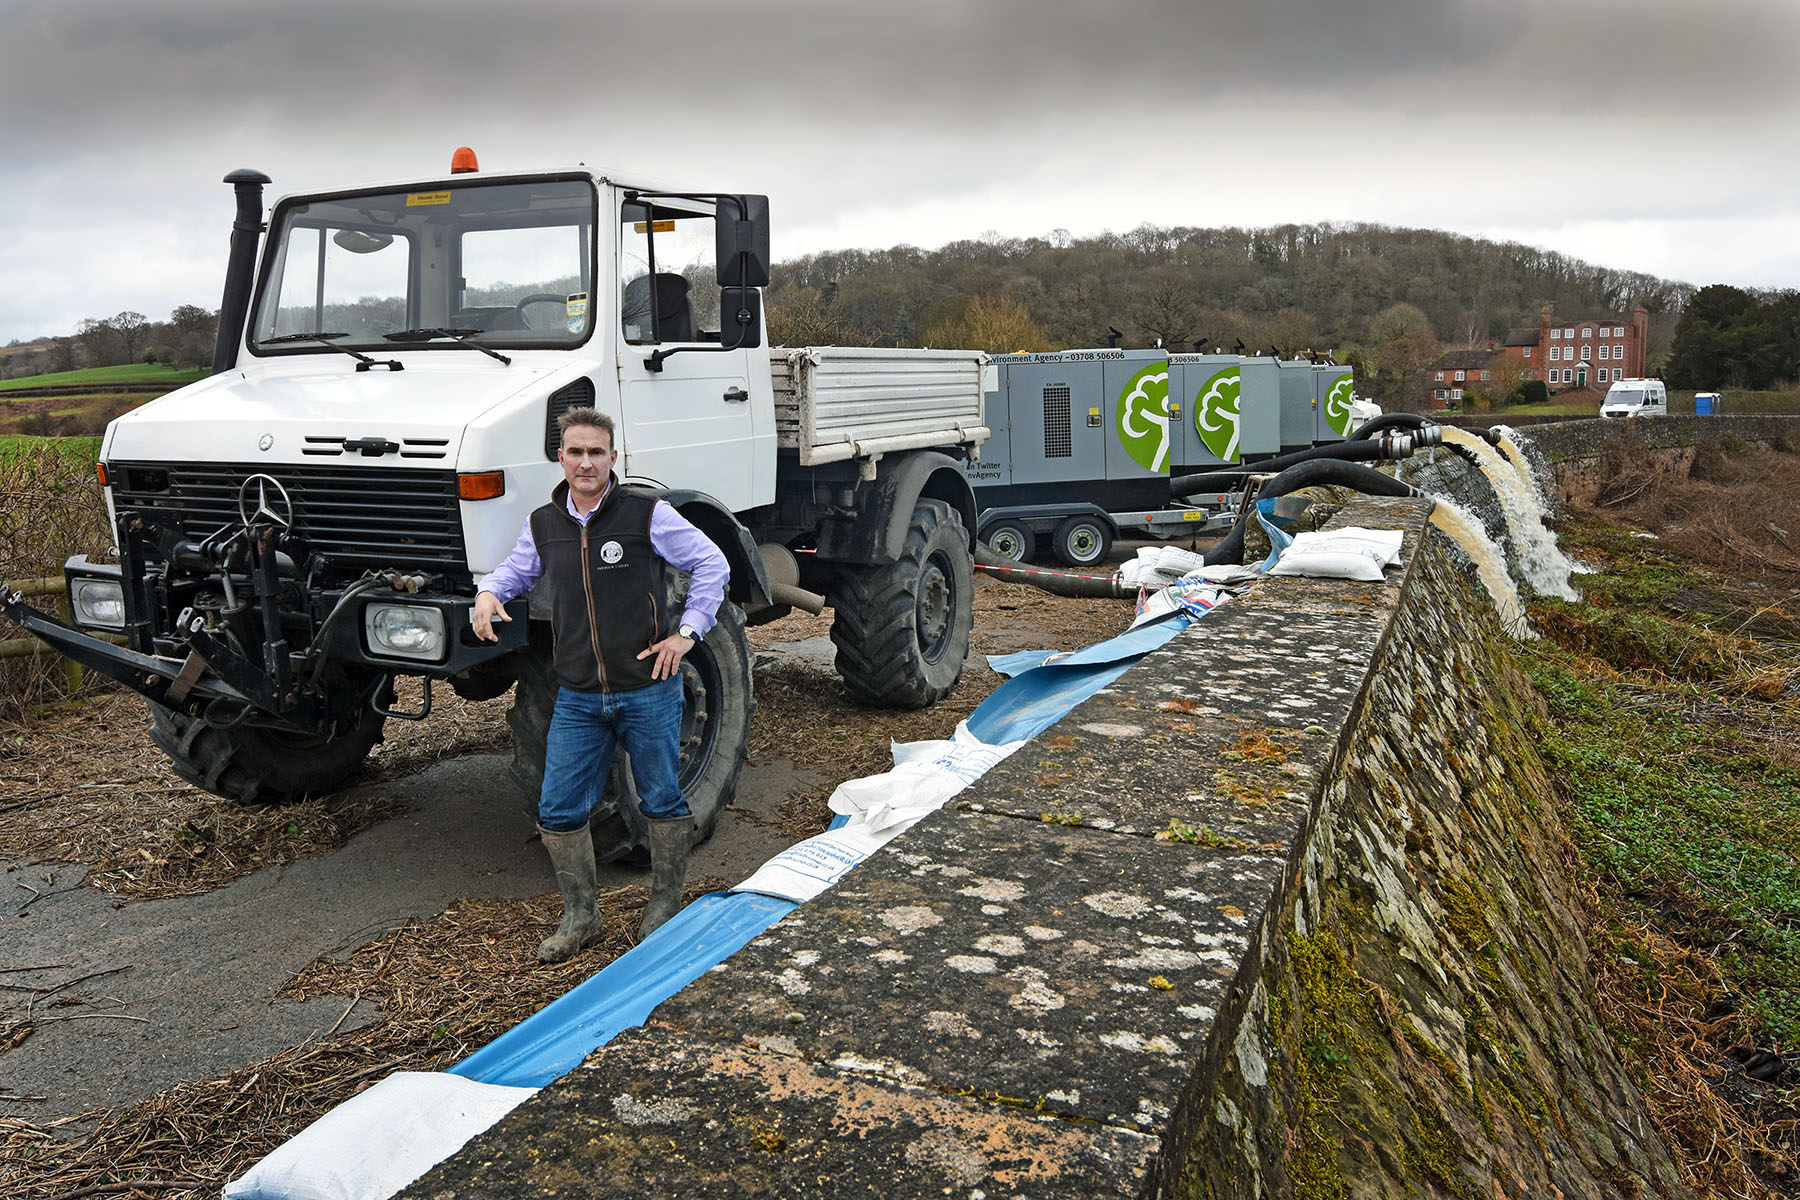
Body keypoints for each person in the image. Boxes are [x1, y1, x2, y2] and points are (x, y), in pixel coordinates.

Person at [472, 407, 729, 961]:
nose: (585, 462)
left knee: (661, 799)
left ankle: (664, 904)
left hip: (648, 688)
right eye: (575, 452)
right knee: (559, 809)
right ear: (560, 458)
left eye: (596, 452)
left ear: (614, 458)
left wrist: (688, 633)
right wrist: (489, 594)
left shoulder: (647, 514)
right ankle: (582, 915)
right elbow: (516, 571)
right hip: (580, 697)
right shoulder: (545, 523)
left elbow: (712, 562)